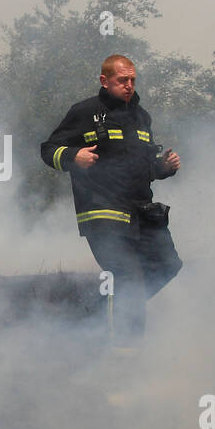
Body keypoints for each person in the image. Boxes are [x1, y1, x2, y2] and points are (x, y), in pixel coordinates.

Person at [40, 54, 182, 360]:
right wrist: (72, 156)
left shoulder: (142, 117)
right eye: (122, 80)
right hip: (102, 211)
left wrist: (164, 167)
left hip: (140, 211)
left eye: (132, 80)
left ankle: (100, 314)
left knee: (169, 265)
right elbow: (48, 149)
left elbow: (145, 167)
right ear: (105, 81)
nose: (129, 86)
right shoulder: (85, 112)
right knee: (128, 277)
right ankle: (125, 356)